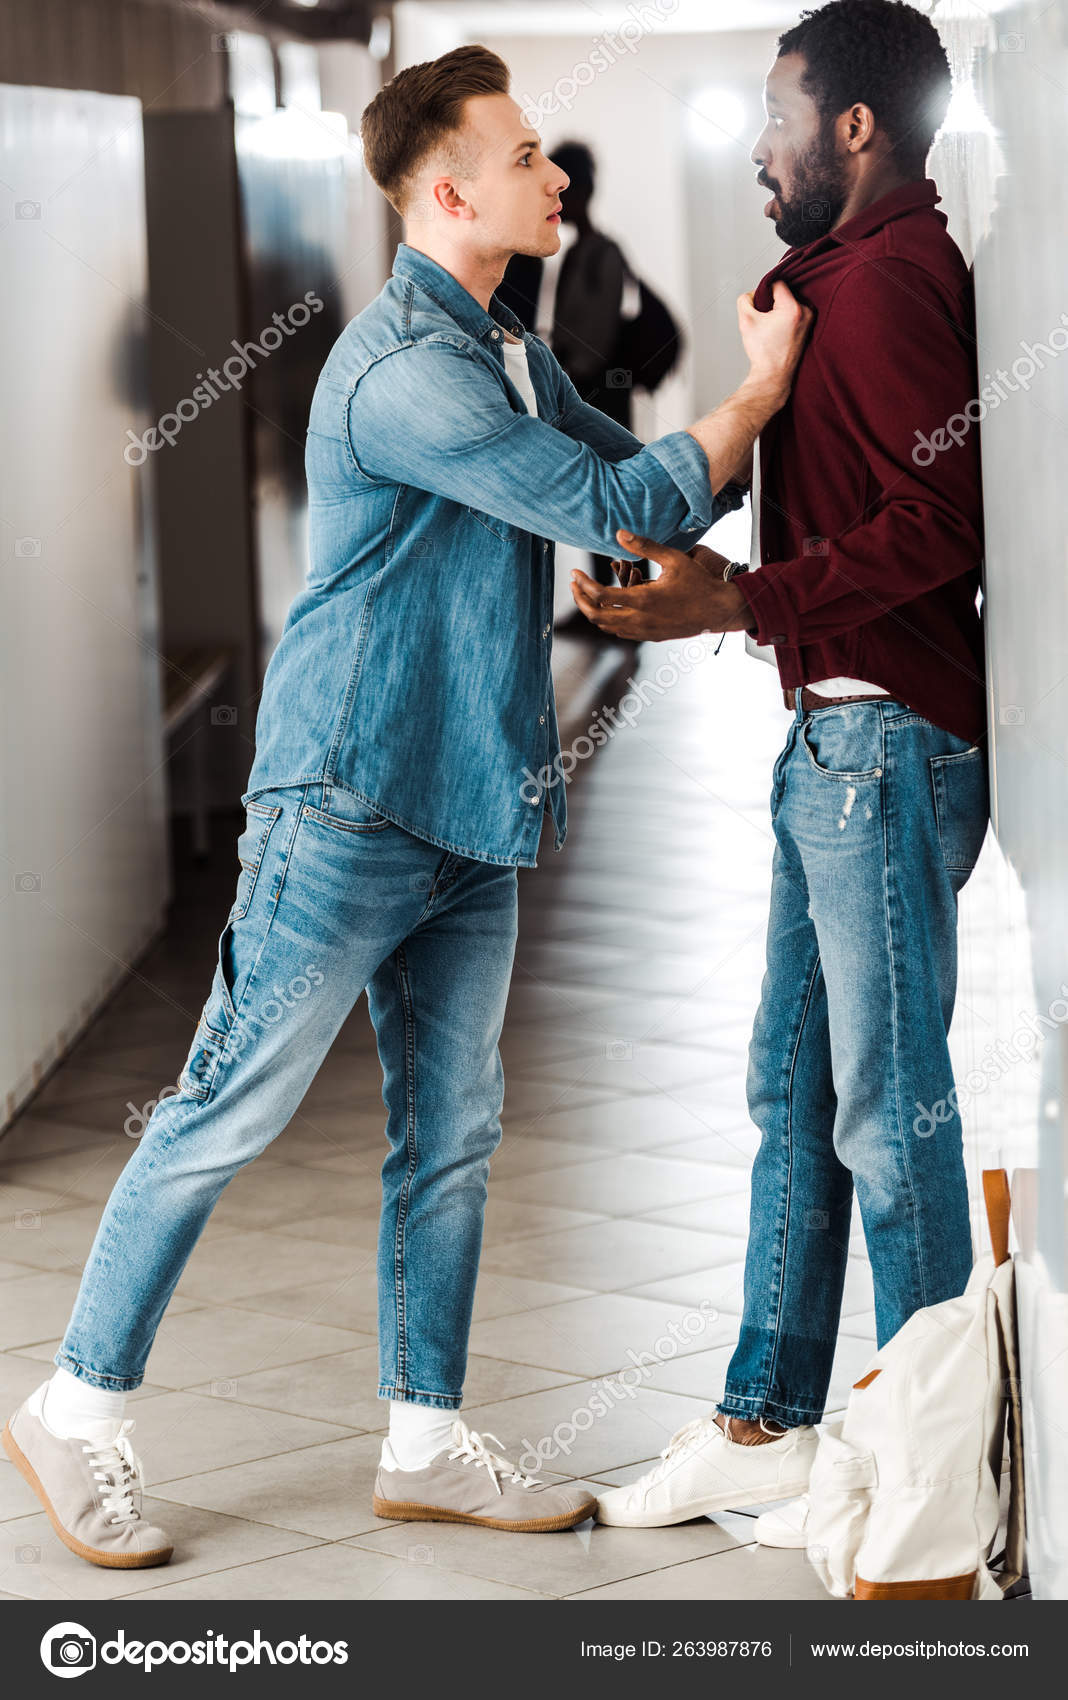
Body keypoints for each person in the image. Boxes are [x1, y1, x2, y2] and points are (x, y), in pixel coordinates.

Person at [2, 44, 809, 1566]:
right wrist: (764, 389)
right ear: (447, 190)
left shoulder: (506, 344)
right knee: (222, 1111)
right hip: (348, 802)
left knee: (450, 1134)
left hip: (470, 806)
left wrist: (695, 480)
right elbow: (613, 507)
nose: (552, 172)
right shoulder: (404, 371)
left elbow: (640, 484)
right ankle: (75, 1414)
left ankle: (426, 1445)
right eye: (522, 157)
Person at [574, 0, 990, 1533]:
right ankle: (765, 1429)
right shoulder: (844, 282)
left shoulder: (886, 286)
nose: (761, 145)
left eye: (779, 113)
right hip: (841, 744)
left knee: (887, 1110)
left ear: (857, 128)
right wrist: (721, 567)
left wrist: (742, 600)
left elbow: (944, 525)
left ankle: (946, 1470)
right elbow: (874, 507)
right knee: (792, 1091)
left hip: (880, 745)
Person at [499, 140, 648, 624]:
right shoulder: (561, 250)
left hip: (599, 386)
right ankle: (605, 604)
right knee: (596, 493)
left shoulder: (599, 251)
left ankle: (630, 602)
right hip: (581, 383)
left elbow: (597, 331)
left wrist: (561, 365)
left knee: (612, 490)